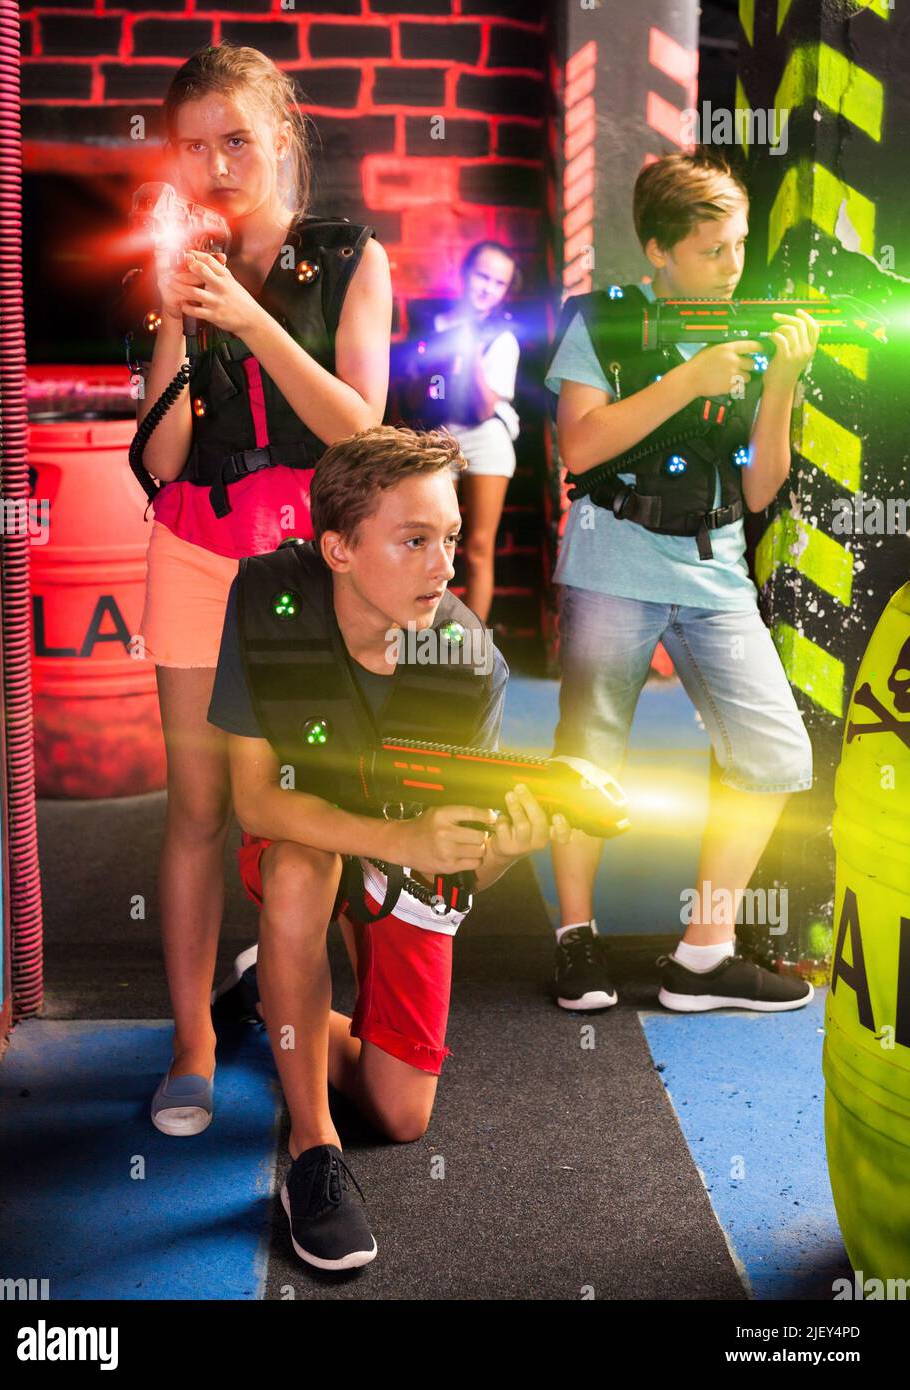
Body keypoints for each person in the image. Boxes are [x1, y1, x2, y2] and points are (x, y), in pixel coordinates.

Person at [205, 425, 572, 1269]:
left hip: (400, 858)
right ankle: (313, 1153)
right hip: (306, 829)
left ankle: (273, 989)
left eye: (447, 538)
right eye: (414, 541)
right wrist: (396, 834)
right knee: (302, 872)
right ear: (337, 548)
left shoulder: (468, 658)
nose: (443, 565)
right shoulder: (267, 599)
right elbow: (256, 800)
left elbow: (455, 864)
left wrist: (506, 851)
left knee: (402, 1115)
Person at [130, 42, 392, 1134]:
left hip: (307, 568)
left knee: (309, 813)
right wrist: (181, 318)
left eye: (236, 138)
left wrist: (250, 317)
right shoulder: (174, 259)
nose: (217, 163)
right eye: (193, 146)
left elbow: (360, 427)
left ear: (282, 135)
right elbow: (161, 461)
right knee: (198, 809)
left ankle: (303, 1024)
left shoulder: (349, 257)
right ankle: (194, 1036)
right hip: (195, 548)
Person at [544, 148, 819, 1014]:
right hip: (610, 562)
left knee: (774, 753)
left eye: (738, 247)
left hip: (715, 569)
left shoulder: (753, 324)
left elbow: (758, 488)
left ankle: (704, 952)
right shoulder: (602, 322)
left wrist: (777, 384)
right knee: (589, 755)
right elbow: (579, 448)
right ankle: (574, 941)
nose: (731, 267)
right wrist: (688, 379)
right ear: (657, 252)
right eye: (711, 250)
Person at [401, 242, 522, 621]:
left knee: (480, 545)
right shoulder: (433, 326)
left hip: (487, 437)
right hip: (441, 436)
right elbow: (416, 392)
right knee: (433, 541)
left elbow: (485, 406)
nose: (488, 287)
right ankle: (429, 632)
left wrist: (469, 348)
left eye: (498, 283)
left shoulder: (503, 336)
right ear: (464, 273)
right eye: (482, 276)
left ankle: (475, 645)